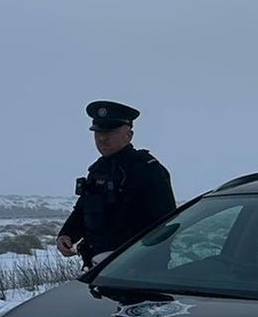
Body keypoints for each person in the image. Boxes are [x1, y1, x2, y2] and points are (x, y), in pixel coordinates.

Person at [57, 100, 177, 264]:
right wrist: (68, 234)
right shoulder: (98, 170)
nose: (102, 138)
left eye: (110, 132)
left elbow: (164, 225)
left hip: (135, 268)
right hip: (98, 266)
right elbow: (84, 208)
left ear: (128, 135)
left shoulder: (147, 169)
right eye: (98, 132)